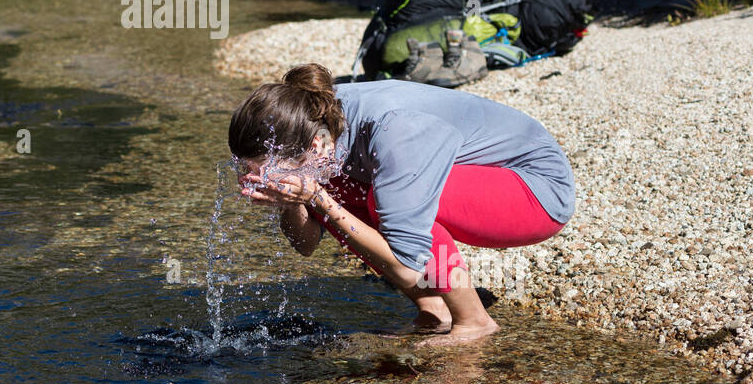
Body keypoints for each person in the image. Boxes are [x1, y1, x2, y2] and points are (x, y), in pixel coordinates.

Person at [229, 63, 575, 344]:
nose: (265, 180)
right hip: (473, 175)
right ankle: (433, 306)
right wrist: (293, 203)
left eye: (272, 172)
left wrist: (318, 199)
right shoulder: (314, 118)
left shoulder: (395, 131)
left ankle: (474, 321)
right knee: (351, 196)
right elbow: (305, 245)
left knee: (385, 203)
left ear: (315, 146)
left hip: (535, 191)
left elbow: (407, 264)